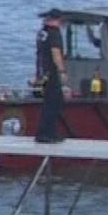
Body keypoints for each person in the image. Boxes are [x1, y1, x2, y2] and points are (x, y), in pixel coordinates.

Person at [33, 8, 66, 143]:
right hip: (51, 72)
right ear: (56, 20)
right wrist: (62, 71)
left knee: (48, 103)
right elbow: (55, 53)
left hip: (42, 71)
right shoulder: (54, 33)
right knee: (55, 102)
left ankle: (45, 132)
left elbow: (40, 53)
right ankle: (48, 133)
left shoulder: (42, 33)